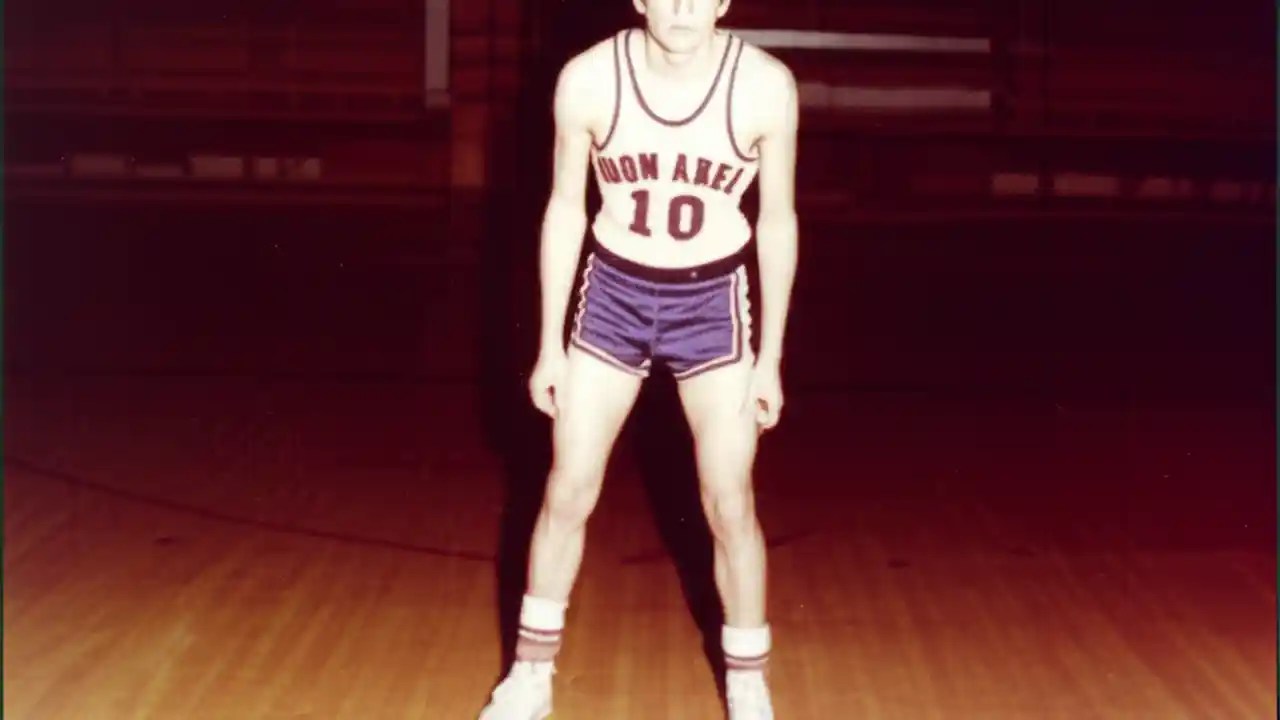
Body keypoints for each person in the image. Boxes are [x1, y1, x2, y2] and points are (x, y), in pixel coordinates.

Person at [479, 1, 798, 718]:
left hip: (712, 300)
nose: (683, 6)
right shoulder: (589, 80)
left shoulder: (765, 87)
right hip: (614, 294)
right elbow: (565, 208)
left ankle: (747, 679)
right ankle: (531, 674)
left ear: (724, 0)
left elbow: (777, 220)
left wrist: (771, 354)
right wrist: (549, 345)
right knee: (568, 486)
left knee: (728, 497)